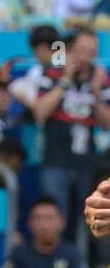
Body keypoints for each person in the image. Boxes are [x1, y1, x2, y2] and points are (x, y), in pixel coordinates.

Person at [31, 27, 110, 229]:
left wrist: (96, 93)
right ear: (71, 49)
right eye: (82, 50)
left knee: (88, 219)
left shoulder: (101, 79)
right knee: (56, 217)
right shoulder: (53, 72)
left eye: (91, 52)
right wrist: (65, 81)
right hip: (56, 160)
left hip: (86, 162)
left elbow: (107, 123)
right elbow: (40, 113)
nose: (86, 56)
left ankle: (81, 260)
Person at [5, 196, 89, 268]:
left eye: (49, 218)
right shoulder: (19, 254)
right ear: (29, 223)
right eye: (38, 219)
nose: (44, 225)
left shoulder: (73, 254)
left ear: (62, 222)